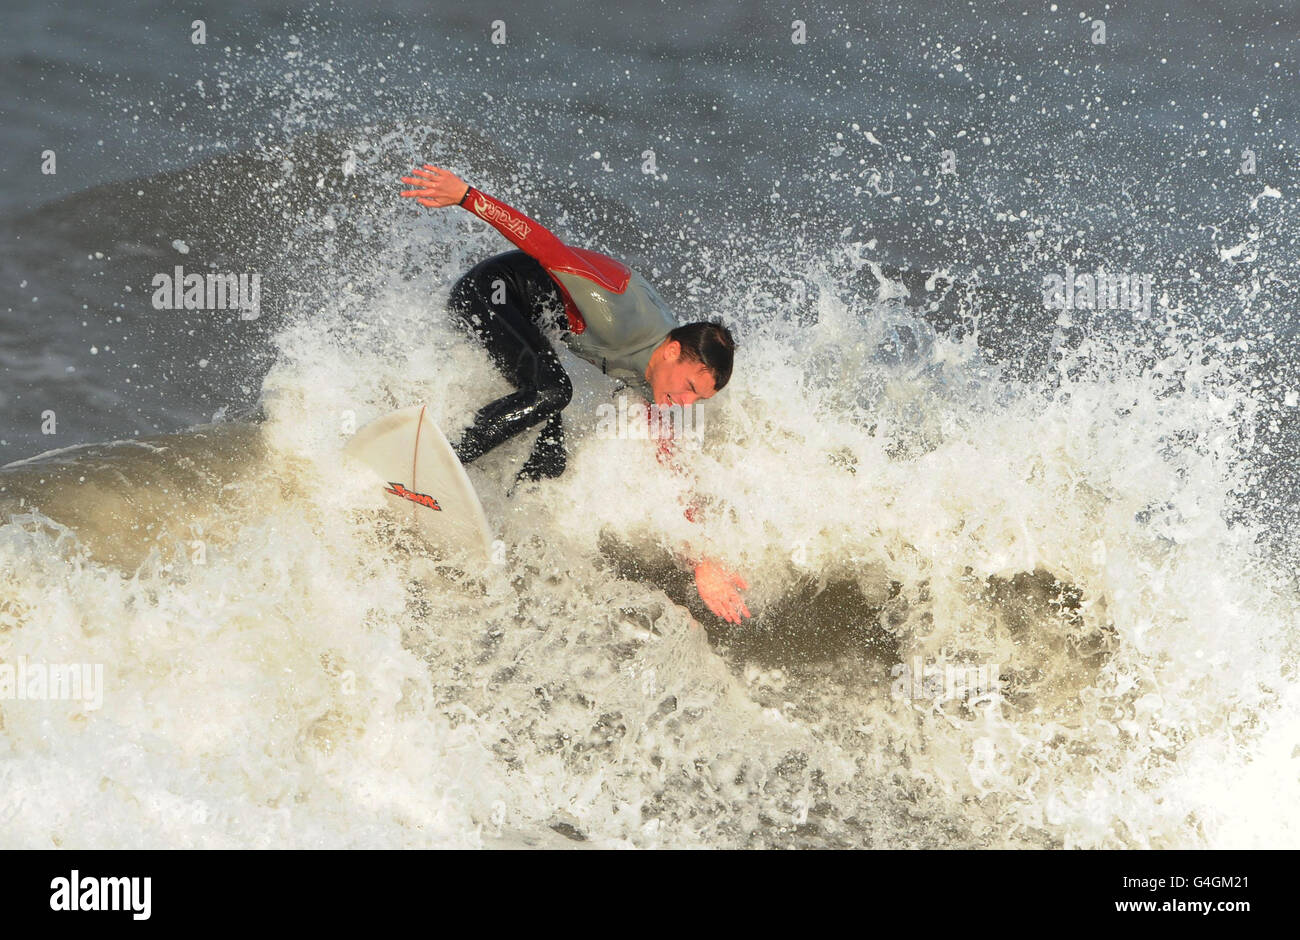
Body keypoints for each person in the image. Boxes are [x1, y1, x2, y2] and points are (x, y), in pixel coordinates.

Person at [399, 164, 751, 624]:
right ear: (669, 352)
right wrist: (466, 195)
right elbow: (544, 245)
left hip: (528, 321)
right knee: (552, 391)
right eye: (688, 388)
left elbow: (671, 465)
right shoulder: (617, 313)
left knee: (552, 455)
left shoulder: (662, 383)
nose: (685, 404)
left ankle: (497, 521)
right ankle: (434, 463)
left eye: (697, 401)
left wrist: (701, 559)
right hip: (490, 295)